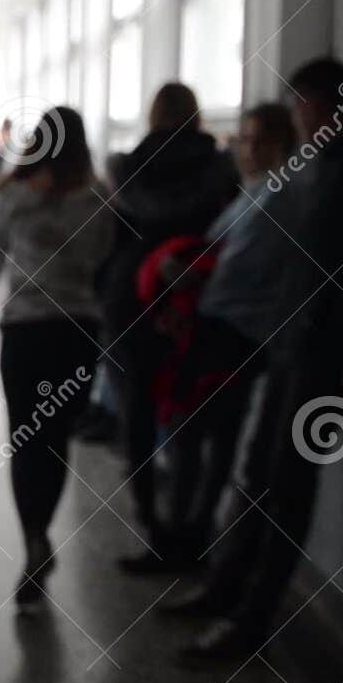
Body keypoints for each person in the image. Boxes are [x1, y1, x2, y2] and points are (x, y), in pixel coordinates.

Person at [172, 58, 343, 663]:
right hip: (294, 344)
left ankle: (251, 622)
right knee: (260, 475)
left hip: (328, 356)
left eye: (303, 106)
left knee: (288, 486)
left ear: (322, 104)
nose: (300, 119)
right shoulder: (325, 166)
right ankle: (226, 590)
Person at [0, 107, 114, 609]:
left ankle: (35, 538)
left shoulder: (14, 194)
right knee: (54, 441)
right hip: (77, 330)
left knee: (24, 438)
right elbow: (102, 258)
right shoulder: (99, 198)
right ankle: (40, 533)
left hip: (25, 329)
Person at [103, 84, 240, 575]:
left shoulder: (125, 167)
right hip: (196, 294)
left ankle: (153, 529)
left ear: (153, 114)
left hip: (134, 296)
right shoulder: (221, 166)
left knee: (137, 415)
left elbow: (110, 239)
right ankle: (190, 531)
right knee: (192, 416)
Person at [155, 104, 299, 561]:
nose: (249, 150)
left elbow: (234, 268)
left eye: (261, 141)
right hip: (220, 328)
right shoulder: (252, 194)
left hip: (237, 334)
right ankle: (188, 532)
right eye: (245, 139)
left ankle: (189, 536)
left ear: (283, 145)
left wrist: (187, 276)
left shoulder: (279, 198)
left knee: (201, 433)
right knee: (206, 436)